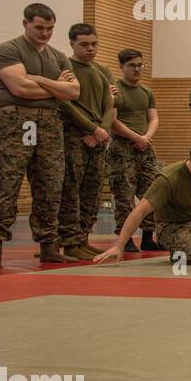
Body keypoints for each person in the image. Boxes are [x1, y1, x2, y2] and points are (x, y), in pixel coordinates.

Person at [0, 3, 79, 267]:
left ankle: (49, 245)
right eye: (39, 27)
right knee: (6, 182)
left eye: (50, 29)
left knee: (50, 184)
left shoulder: (58, 56)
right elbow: (20, 87)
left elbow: (74, 93)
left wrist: (39, 80)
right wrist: (57, 87)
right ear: (25, 23)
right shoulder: (9, 49)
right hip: (16, 121)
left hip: (48, 124)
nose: (45, 33)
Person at [95, 139, 191, 266]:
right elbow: (140, 211)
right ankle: (179, 246)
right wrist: (118, 246)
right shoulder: (169, 179)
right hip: (172, 226)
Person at [56, 23, 117, 260]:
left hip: (97, 139)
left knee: (92, 191)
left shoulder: (101, 72)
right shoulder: (66, 69)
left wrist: (101, 129)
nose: (90, 49)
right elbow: (64, 104)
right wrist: (92, 129)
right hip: (74, 136)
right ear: (72, 44)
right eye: (84, 44)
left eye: (94, 44)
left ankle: (83, 238)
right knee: (71, 190)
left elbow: (109, 106)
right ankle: (70, 242)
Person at [107, 49, 161, 252]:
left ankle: (148, 237)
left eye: (140, 65)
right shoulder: (115, 90)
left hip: (145, 147)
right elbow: (112, 121)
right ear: (121, 67)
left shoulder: (147, 92)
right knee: (124, 194)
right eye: (132, 66)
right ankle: (126, 238)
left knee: (151, 192)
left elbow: (153, 118)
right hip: (122, 147)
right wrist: (135, 137)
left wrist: (146, 136)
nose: (137, 69)